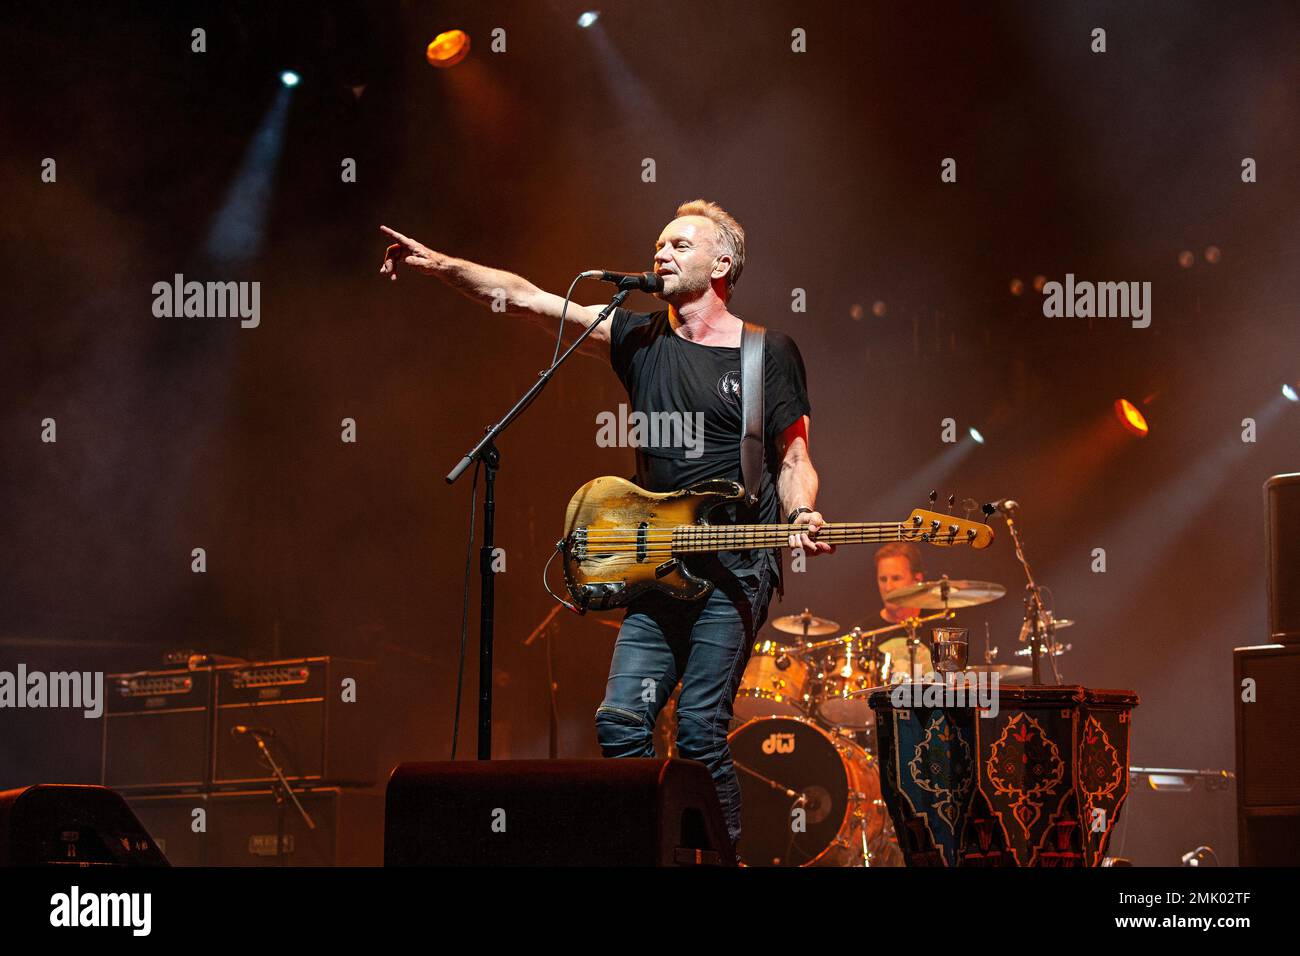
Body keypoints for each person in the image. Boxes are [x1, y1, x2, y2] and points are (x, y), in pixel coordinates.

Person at [378, 199, 832, 851]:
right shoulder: (638, 339)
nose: (662, 253)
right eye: (658, 244)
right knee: (620, 722)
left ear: (722, 263)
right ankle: (654, 853)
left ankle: (721, 859)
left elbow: (793, 457)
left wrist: (803, 512)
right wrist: (440, 265)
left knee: (700, 732)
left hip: (733, 572)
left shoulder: (767, 355)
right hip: (654, 570)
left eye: (680, 244)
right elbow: (528, 298)